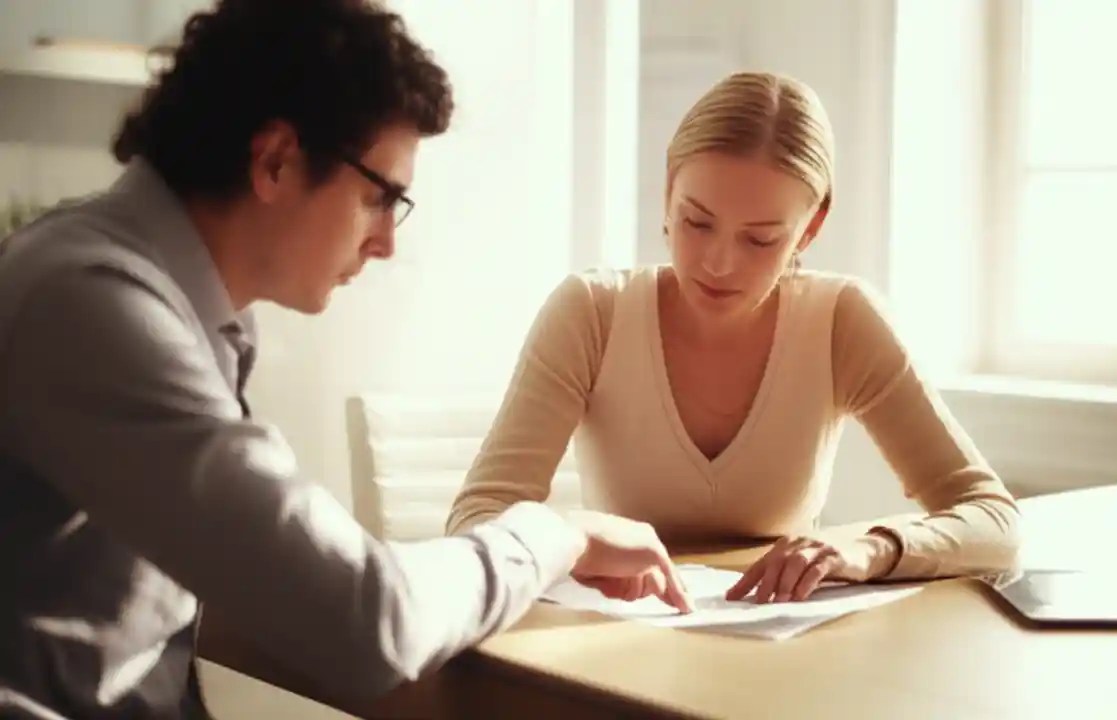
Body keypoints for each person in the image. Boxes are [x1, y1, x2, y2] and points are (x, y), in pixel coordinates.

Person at [0, 1, 690, 718]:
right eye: (378, 197)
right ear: (275, 160)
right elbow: (369, 623)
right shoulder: (93, 307)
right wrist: (557, 531)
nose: (386, 242)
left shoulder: (168, 307)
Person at [447, 71, 1022, 605]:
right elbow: (478, 515)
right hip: (614, 647)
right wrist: (571, 540)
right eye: (697, 222)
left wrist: (868, 550)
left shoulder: (842, 321)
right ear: (668, 193)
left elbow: (995, 522)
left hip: (781, 651)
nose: (719, 263)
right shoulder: (592, 312)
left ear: (811, 228)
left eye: (761, 240)